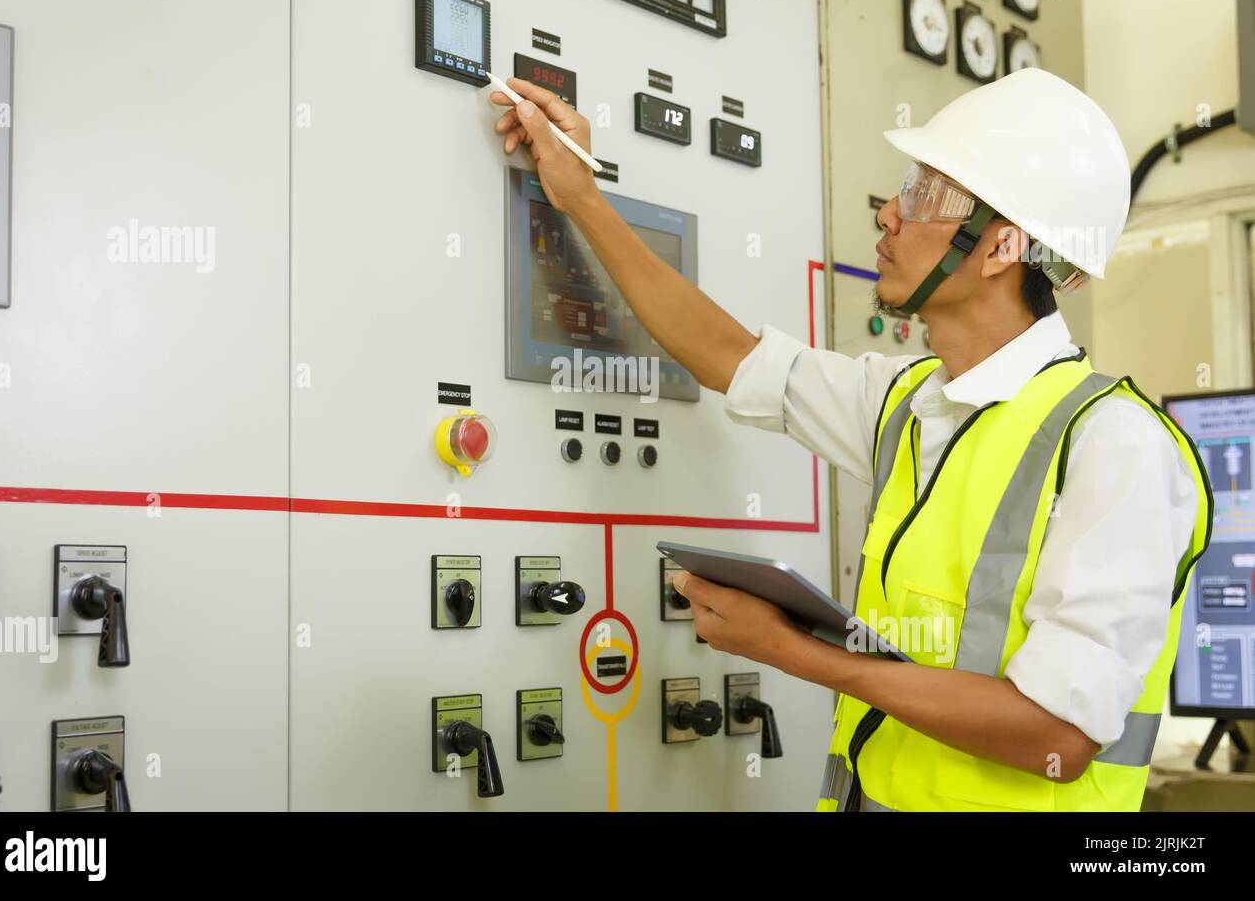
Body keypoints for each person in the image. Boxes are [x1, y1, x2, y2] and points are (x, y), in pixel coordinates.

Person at [490, 69, 1212, 812]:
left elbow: (1055, 738)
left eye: (927, 195)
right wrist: (579, 194)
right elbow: (726, 354)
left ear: (1001, 248)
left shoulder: (1115, 447)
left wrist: (795, 653)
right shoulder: (907, 402)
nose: (890, 215)